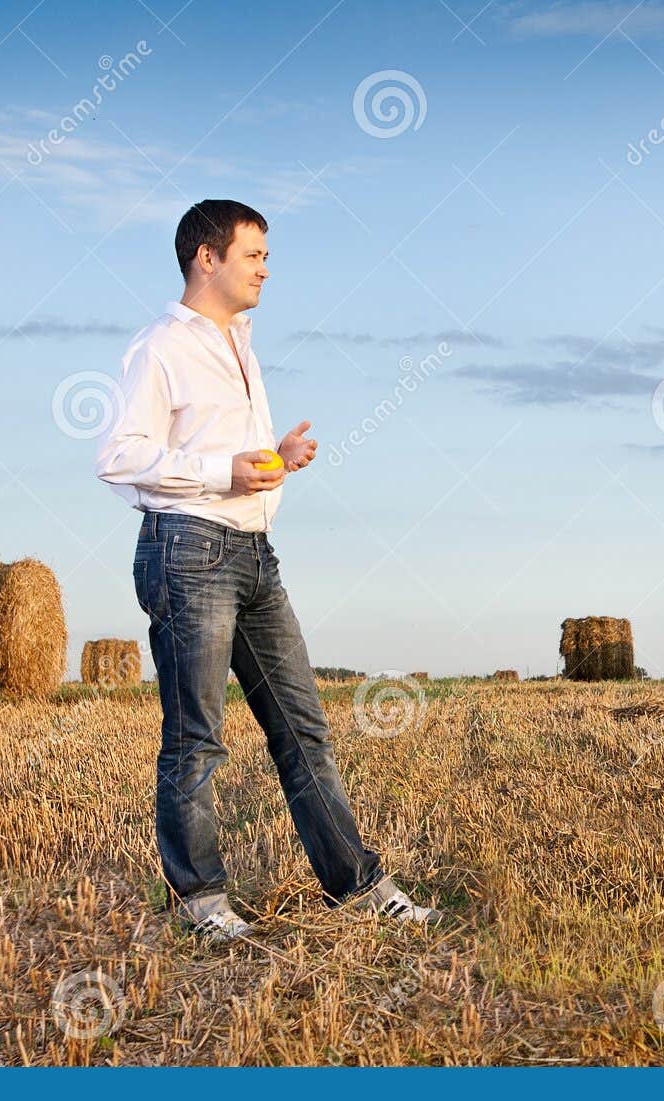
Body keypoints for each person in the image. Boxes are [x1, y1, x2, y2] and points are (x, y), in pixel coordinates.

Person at [95, 198, 440, 943]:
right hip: (188, 552)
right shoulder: (159, 348)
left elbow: (235, 466)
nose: (265, 267)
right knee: (198, 736)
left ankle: (359, 885)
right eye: (253, 254)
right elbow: (118, 457)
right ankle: (202, 900)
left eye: (266, 255)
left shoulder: (241, 343)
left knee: (303, 729)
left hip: (253, 556)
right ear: (206, 259)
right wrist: (226, 468)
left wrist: (277, 457)